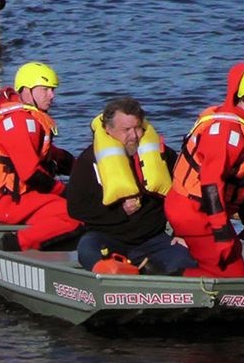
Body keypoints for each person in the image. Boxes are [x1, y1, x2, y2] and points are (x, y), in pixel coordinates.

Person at [165, 62, 244, 278]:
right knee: (233, 277)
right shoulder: (227, 134)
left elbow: (241, 180)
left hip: (201, 208)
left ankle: (183, 268)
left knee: (232, 256)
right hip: (192, 209)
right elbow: (211, 184)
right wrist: (221, 233)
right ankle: (166, 279)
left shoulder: (243, 127)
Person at [66, 97, 197, 275]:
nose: (134, 136)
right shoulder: (88, 161)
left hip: (153, 239)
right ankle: (122, 273)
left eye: (137, 128)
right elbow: (76, 209)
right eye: (126, 130)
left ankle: (157, 273)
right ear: (108, 129)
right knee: (87, 249)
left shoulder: (163, 156)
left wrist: (182, 233)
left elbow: (186, 195)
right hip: (106, 238)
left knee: (185, 259)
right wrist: (120, 213)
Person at [0, 61, 80, 251]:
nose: (52, 96)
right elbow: (32, 175)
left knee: (74, 200)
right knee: (75, 212)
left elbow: (53, 155)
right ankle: (12, 245)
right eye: (45, 90)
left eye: (52, 90)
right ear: (27, 91)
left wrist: (83, 169)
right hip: (2, 202)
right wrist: (64, 191)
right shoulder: (18, 123)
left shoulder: (20, 115)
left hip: (8, 195)